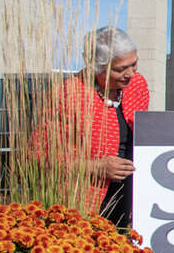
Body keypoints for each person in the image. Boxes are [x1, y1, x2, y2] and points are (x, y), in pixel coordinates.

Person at [38, 27, 149, 228]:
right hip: (85, 203)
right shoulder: (67, 94)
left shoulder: (137, 85)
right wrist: (96, 167)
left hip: (133, 199)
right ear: (95, 67)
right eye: (120, 69)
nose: (130, 74)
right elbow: (41, 155)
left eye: (134, 64)